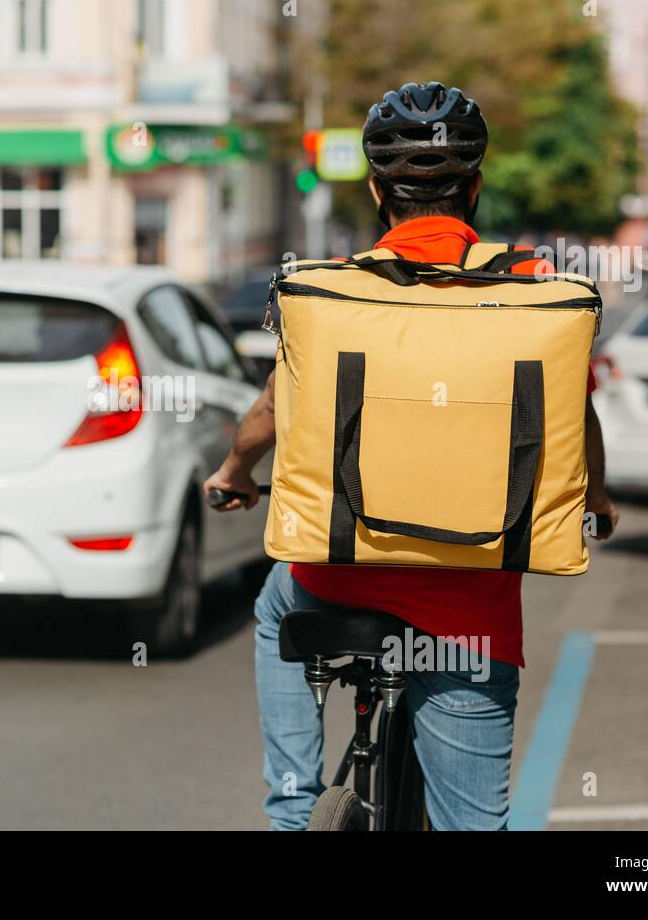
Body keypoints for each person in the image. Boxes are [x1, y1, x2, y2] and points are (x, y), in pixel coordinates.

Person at [203, 82, 618, 831]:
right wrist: (597, 497)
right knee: (472, 826)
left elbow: (270, 409)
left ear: (374, 190)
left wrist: (234, 474)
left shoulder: (336, 295)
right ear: (478, 188)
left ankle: (295, 811)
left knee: (274, 606)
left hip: (332, 577)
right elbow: (571, 417)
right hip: (468, 615)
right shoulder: (531, 290)